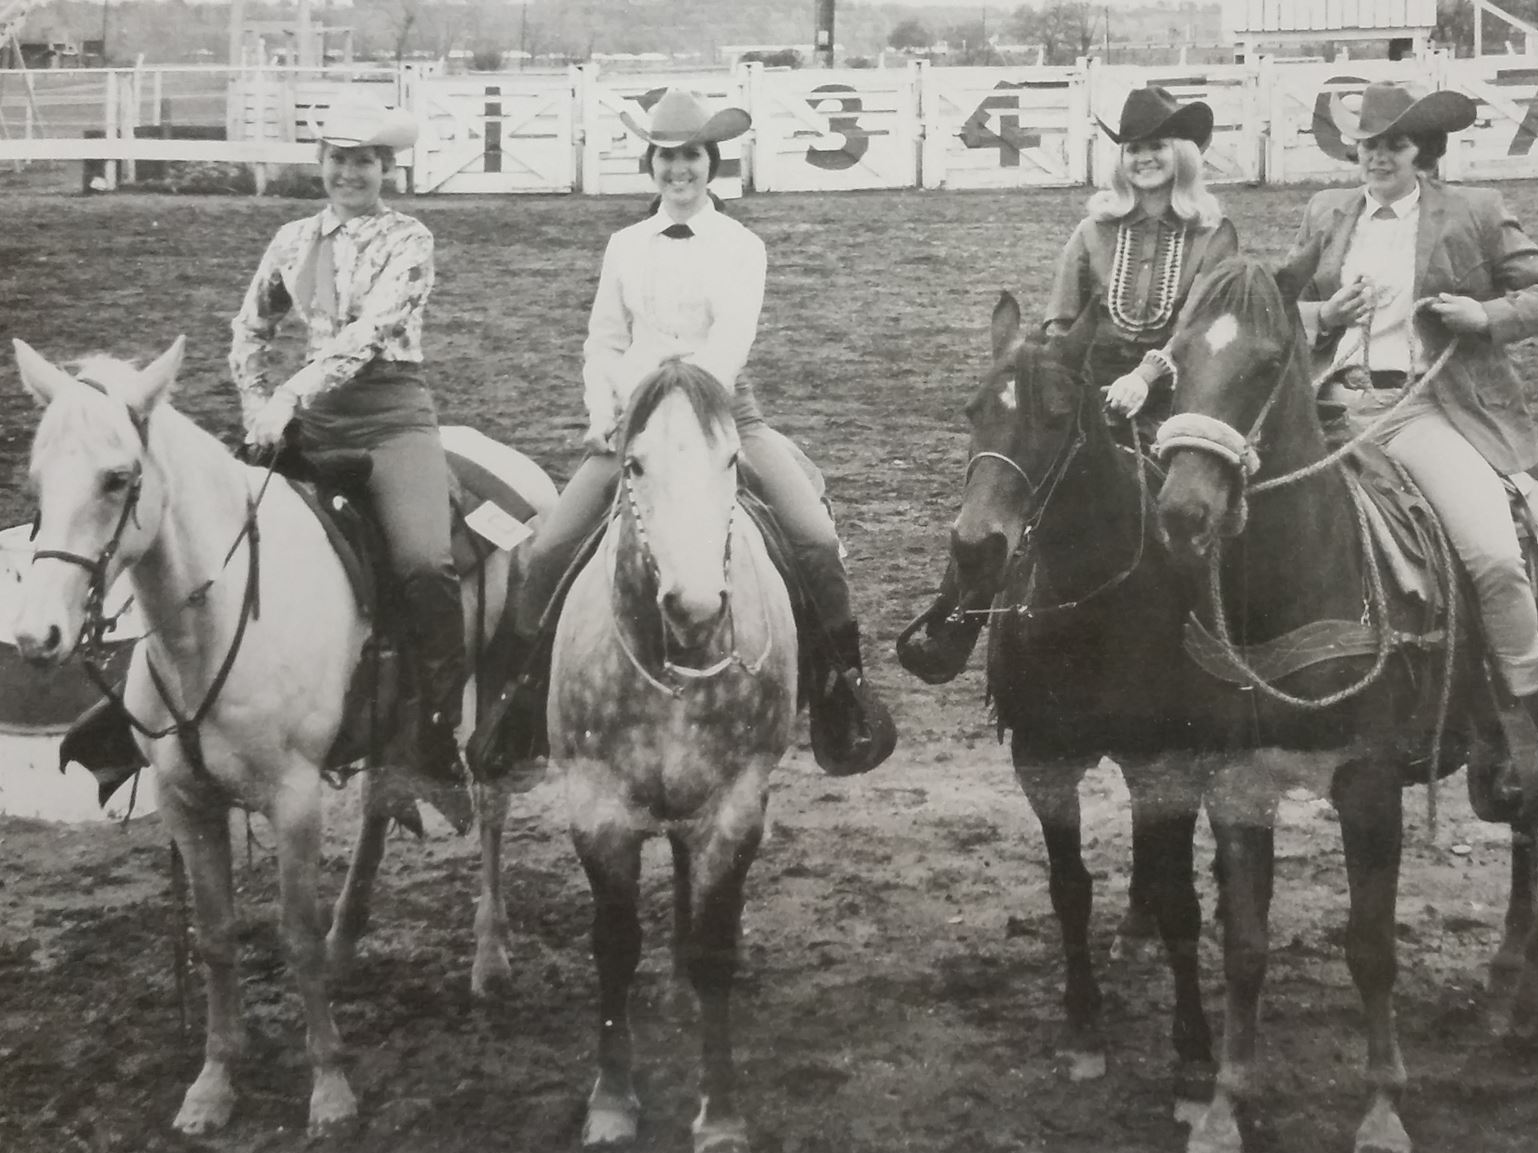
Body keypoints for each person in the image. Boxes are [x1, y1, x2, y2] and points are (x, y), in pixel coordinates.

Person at [469, 89, 896, 778]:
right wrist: (601, 406)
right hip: (633, 419)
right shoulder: (624, 245)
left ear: (710, 162)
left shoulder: (741, 245)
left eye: (691, 156)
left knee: (812, 534)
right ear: (651, 163)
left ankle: (841, 691)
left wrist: (685, 409)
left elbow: (730, 339)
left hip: (725, 410)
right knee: (548, 548)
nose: (679, 170)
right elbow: (603, 341)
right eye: (667, 156)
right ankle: (519, 707)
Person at [1274, 80, 1538, 818]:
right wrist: (1321, 313)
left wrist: (1484, 313)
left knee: (1495, 554)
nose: (1378, 157)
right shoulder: (1327, 211)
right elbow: (1274, 299)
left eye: (1394, 144)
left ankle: (1521, 715)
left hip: (1425, 407)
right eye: (1368, 144)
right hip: (1330, 407)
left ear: (1422, 150)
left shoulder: (1471, 212)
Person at [897, 85, 1239, 683]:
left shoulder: (1215, 235)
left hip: (1182, 397)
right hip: (1088, 391)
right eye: (1133, 148)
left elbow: (1201, 326)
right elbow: (1061, 322)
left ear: (1181, 153)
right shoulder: (1092, 232)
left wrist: (1146, 375)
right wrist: (1064, 381)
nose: (1143, 158)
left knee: (1203, 499)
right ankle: (960, 615)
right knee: (1010, 466)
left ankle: (1227, 637)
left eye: (1156, 145)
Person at [228, 93, 468, 792]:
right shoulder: (291, 240)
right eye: (338, 159)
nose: (349, 173)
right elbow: (251, 326)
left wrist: (289, 394)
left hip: (391, 416)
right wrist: (254, 402)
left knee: (424, 560)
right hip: (304, 417)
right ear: (321, 162)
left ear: (384, 167)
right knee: (206, 527)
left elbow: (368, 335)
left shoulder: (410, 241)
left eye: (363, 161)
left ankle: (436, 724)